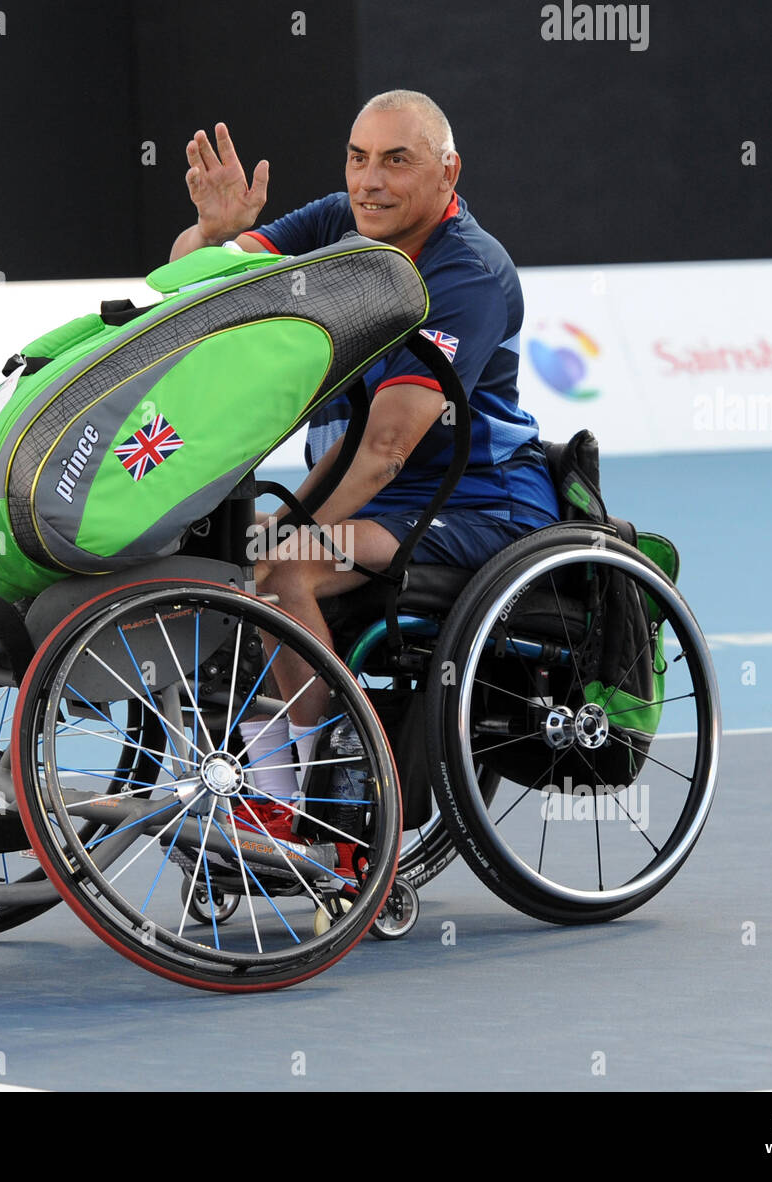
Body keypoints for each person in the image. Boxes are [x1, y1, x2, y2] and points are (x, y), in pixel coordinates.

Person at [171, 91, 559, 837]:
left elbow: (383, 455)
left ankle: (298, 794)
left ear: (449, 172)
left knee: (284, 569)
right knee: (216, 548)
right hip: (371, 493)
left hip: (479, 506)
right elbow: (190, 292)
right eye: (358, 158)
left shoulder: (466, 274)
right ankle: (246, 756)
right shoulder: (336, 226)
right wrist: (214, 237)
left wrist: (287, 538)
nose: (369, 180)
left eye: (396, 160)